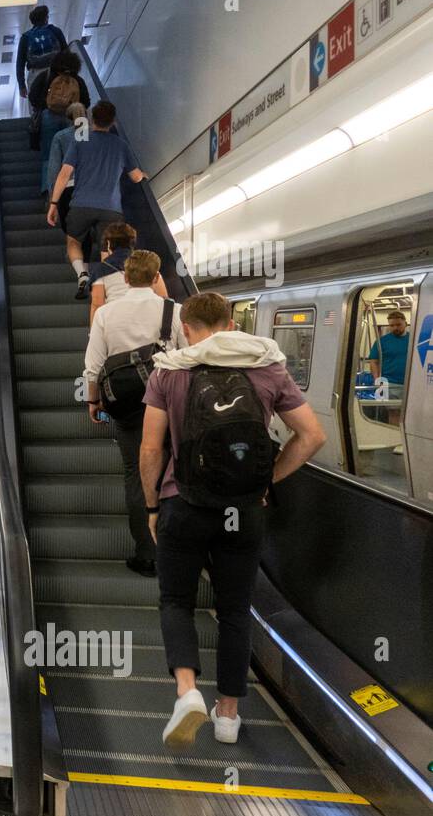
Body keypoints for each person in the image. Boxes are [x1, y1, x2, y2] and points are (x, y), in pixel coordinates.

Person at [140, 292, 326, 749]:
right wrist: (267, 481)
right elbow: (312, 436)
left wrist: (150, 505)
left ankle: (187, 692)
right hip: (242, 511)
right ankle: (228, 714)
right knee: (235, 610)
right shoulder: (267, 365)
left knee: (176, 601)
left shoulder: (171, 369)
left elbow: (149, 449)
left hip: (183, 504)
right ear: (230, 323)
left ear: (186, 328)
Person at [84, 251, 186, 578]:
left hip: (127, 405)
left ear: (125, 279)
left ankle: (147, 554)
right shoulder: (176, 312)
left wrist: (93, 401)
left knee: (136, 475)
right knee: (175, 469)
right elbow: (188, 360)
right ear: (157, 277)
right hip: (169, 405)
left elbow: (94, 365)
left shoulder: (106, 314)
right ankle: (179, 551)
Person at [47, 101, 148, 299]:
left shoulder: (80, 141)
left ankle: (82, 274)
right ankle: (108, 291)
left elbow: (64, 173)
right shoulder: (121, 145)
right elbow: (135, 177)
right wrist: (143, 174)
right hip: (111, 208)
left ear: (92, 118)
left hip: (80, 205)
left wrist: (53, 203)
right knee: (107, 250)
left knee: (73, 241)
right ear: (113, 122)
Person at [87, 222, 167, 317]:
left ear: (108, 243)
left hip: (116, 318)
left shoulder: (101, 270)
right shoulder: (146, 263)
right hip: (147, 318)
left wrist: (93, 331)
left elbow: (97, 304)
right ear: (132, 241)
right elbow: (164, 298)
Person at [16, 5, 68, 101]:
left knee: (37, 102)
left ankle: (38, 115)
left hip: (35, 74)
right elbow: (66, 53)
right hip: (56, 71)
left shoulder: (26, 37)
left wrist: (22, 86)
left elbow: (20, 63)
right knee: (60, 99)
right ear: (46, 18)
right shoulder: (55, 31)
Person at [367, 310, 410, 387]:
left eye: (398, 324)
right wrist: (377, 380)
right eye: (392, 325)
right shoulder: (381, 341)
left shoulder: (413, 340)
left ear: (405, 324)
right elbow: (373, 362)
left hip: (409, 383)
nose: (395, 328)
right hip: (386, 383)